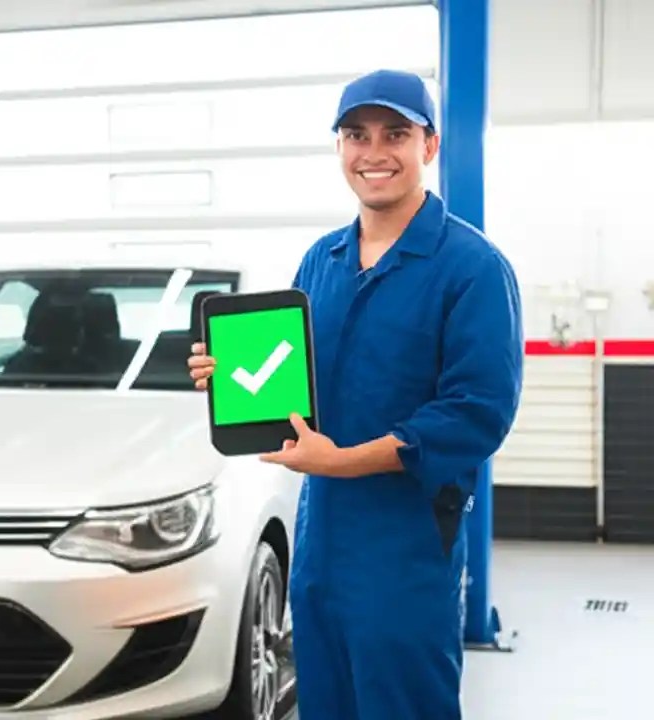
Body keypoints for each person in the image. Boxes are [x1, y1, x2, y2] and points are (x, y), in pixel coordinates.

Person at [188, 69, 523, 720]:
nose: (374, 152)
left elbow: (476, 414)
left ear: (428, 147)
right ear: (339, 148)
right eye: (356, 135)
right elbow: (294, 376)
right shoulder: (323, 259)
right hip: (320, 548)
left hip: (406, 550)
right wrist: (224, 373)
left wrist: (342, 461)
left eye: (395, 134)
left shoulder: (473, 268)